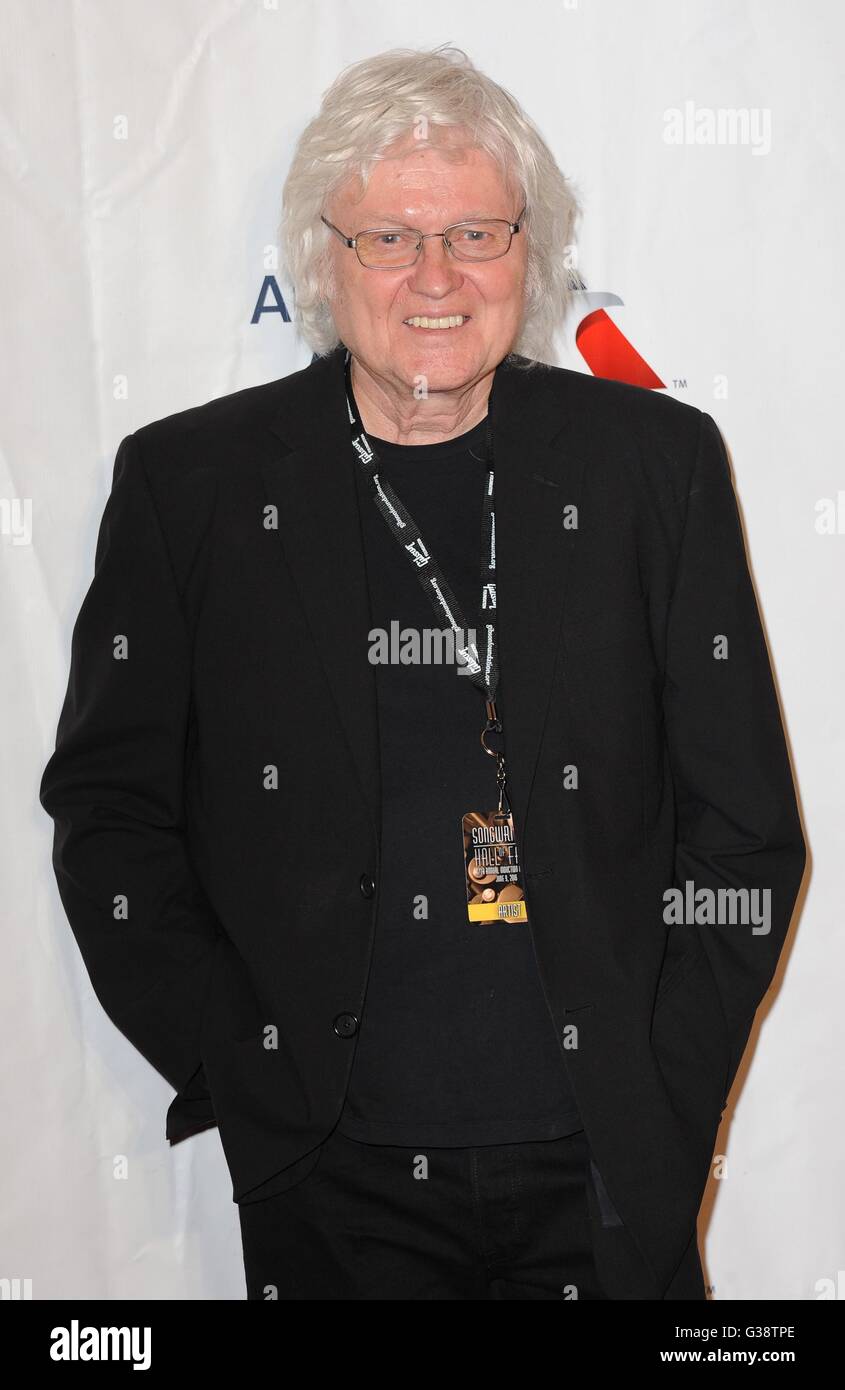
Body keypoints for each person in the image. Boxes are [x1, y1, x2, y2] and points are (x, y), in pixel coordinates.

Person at [40, 44, 805, 1300]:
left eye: (474, 233)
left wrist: (658, 1098)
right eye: (389, 239)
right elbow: (112, 816)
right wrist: (246, 1068)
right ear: (324, 261)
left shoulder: (650, 468)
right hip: (332, 1189)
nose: (435, 277)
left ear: (530, 251)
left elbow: (744, 836)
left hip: (608, 1177)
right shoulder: (194, 487)